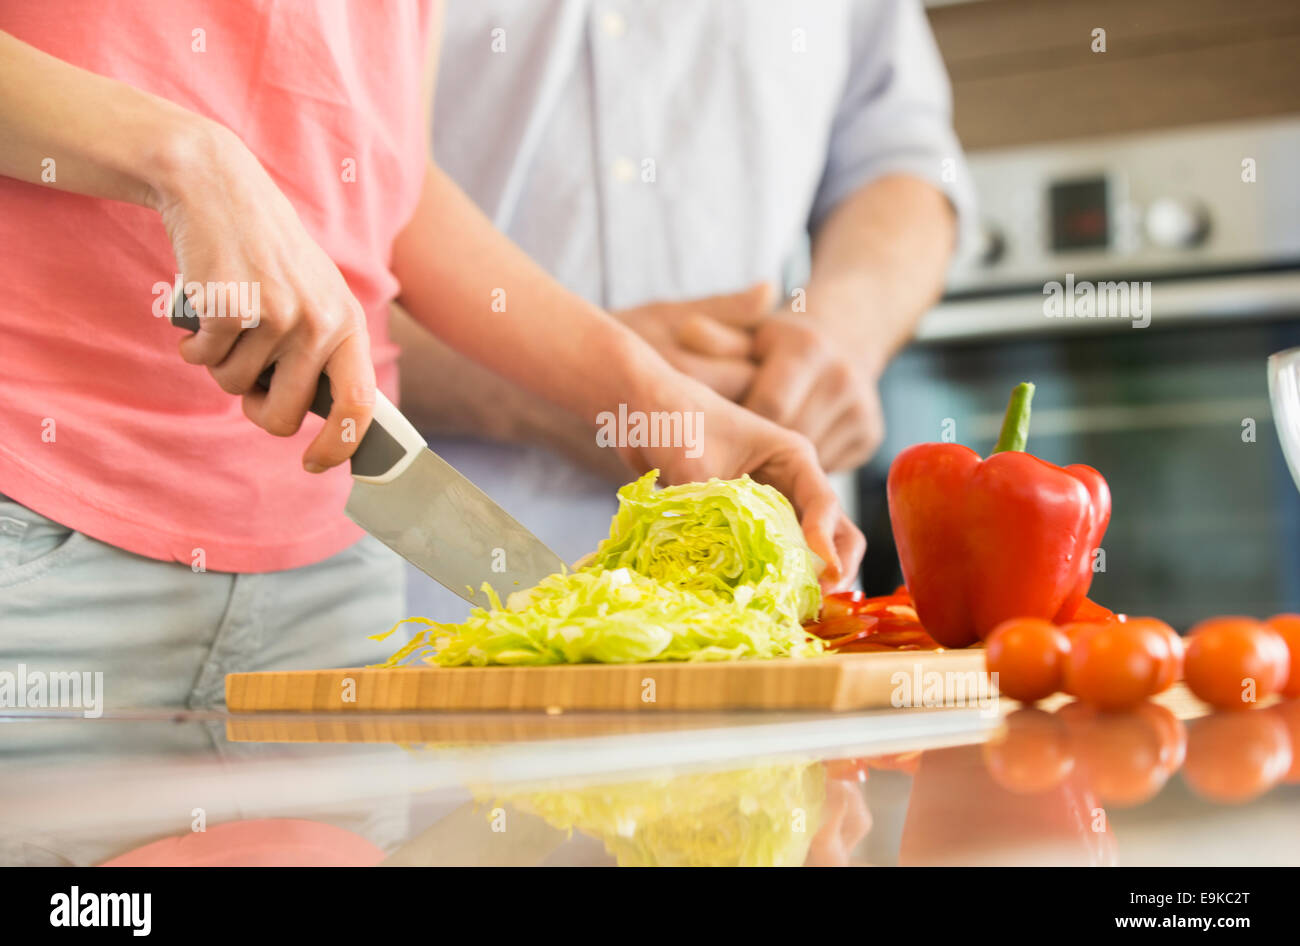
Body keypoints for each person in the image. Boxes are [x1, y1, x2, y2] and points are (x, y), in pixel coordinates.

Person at [0, 1, 861, 710]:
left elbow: (387, 182)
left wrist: (650, 393)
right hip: (39, 527)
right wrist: (187, 158)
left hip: (332, 566)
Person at [394, 0, 972, 622]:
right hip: (428, 584)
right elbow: (307, 249)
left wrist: (843, 332)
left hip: (760, 612)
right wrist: (588, 389)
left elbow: (899, 156)